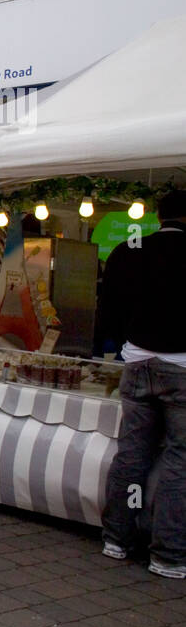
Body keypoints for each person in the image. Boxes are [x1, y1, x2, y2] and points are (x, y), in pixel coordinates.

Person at [100, 189, 186, 578]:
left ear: (156, 216)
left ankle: (117, 539)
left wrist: (118, 344)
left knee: (132, 452)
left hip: (136, 362)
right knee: (178, 459)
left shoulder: (129, 249)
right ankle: (167, 555)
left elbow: (109, 304)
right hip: (182, 366)